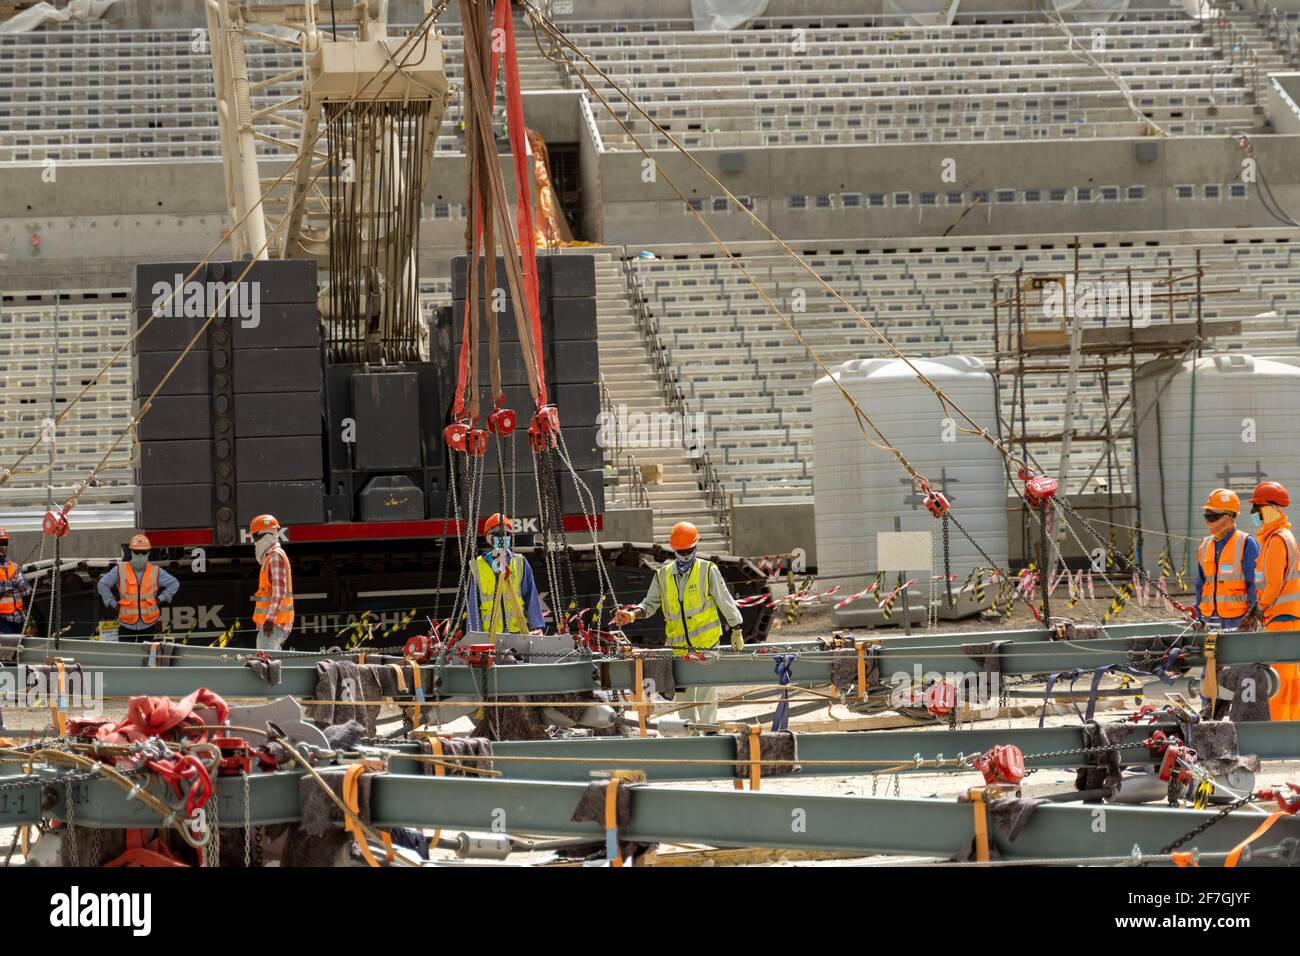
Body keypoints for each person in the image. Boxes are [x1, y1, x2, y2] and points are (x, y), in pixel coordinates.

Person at [613, 521, 744, 725]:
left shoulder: (707, 570)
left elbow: (724, 600)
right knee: (683, 693)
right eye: (681, 551)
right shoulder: (663, 575)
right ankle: (689, 731)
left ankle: (709, 730)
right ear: (674, 550)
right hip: (678, 647)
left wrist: (736, 628)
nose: (685, 555)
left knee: (705, 690)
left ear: (696, 547)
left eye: (689, 550)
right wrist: (632, 615)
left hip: (706, 643)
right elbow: (650, 604)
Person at [1241, 481, 1300, 721]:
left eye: (1257, 508)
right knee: (1290, 680)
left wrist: (1259, 609)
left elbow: (1274, 584)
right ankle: (1290, 726)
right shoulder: (1282, 537)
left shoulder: (1277, 540)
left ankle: (1276, 729)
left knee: (1277, 679)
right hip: (1288, 617)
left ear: (1270, 507)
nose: (1254, 514)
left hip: (1282, 617)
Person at [466, 513, 544, 635]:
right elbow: (473, 605)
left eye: (506, 534)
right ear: (488, 537)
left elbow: (530, 595)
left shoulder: (520, 562)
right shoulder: (478, 566)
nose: (502, 538)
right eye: (497, 534)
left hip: (518, 631)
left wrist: (536, 627)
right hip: (490, 634)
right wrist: (475, 636)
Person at [1195, 488, 1259, 631]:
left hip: (1238, 620)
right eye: (1207, 516)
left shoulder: (1246, 543)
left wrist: (1251, 616)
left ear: (1229, 516)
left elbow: (1255, 584)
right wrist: (1197, 614)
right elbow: (1200, 584)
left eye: (1213, 516)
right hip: (1209, 619)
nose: (1209, 521)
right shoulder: (1205, 545)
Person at [96, 534, 179, 640]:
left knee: (146, 655)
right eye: (136, 552)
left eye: (143, 552)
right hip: (126, 622)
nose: (140, 555)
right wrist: (113, 603)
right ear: (131, 552)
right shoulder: (120, 570)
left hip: (149, 623)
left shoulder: (155, 571)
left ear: (148, 553)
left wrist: (160, 599)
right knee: (127, 654)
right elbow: (102, 584)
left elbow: (174, 583)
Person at [250, 514, 293, 651]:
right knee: (272, 666)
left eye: (256, 536)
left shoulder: (275, 556)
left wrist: (270, 619)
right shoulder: (271, 557)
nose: (254, 541)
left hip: (273, 626)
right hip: (273, 625)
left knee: (265, 667)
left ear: (267, 535)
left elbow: (279, 591)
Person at [0, 528, 31, 636]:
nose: (3, 547)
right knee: (7, 649)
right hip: (1, 619)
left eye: (5, 543)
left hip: (18, 618)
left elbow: (26, 589)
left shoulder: (14, 565)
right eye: (0, 543)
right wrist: (14, 584)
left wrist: (6, 587)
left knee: (19, 649)